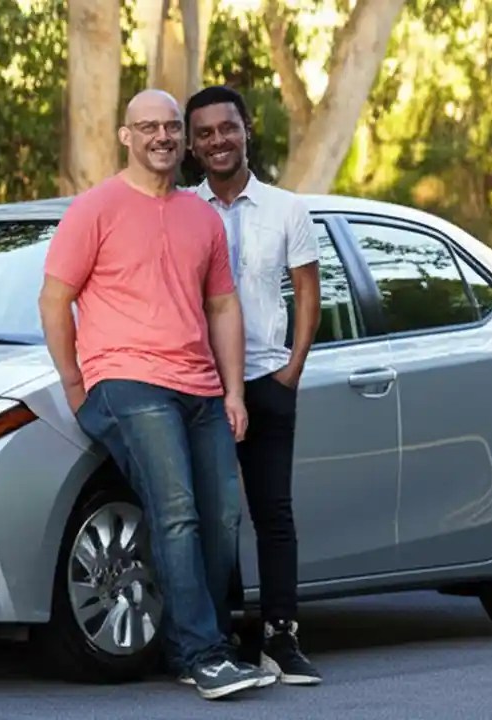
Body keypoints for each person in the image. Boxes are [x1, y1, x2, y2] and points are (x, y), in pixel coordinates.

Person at [38, 88, 274, 700]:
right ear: (126, 136)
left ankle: (196, 643)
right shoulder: (95, 209)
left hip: (199, 387)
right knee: (177, 512)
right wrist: (74, 381)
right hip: (129, 380)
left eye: (171, 127)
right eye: (148, 128)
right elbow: (55, 299)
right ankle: (204, 653)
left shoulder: (201, 217)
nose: (162, 138)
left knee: (222, 516)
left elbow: (222, 306)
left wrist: (234, 392)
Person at [184, 84, 323, 686]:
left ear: (247, 131)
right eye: (206, 132)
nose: (218, 140)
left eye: (228, 128)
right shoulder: (182, 211)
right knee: (216, 515)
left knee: (273, 512)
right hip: (201, 383)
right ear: (192, 145)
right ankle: (227, 636)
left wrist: (291, 371)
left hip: (268, 376)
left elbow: (308, 292)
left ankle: (280, 638)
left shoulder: (288, 209)